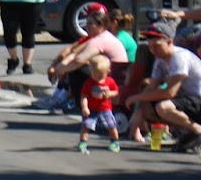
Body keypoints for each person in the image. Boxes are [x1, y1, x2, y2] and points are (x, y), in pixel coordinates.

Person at [124, 21, 201, 152]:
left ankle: (197, 130)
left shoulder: (179, 57)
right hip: (187, 101)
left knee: (163, 107)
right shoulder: (160, 60)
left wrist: (137, 97)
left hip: (197, 99)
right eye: (150, 46)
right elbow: (151, 87)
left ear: (169, 42)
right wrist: (138, 112)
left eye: (157, 46)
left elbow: (169, 93)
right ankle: (188, 134)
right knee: (148, 106)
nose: (153, 50)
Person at [77, 54, 121, 153]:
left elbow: (116, 91)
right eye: (94, 74)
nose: (97, 77)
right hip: (92, 108)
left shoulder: (110, 81)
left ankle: (115, 141)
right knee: (86, 125)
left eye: (100, 75)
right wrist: (84, 107)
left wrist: (110, 94)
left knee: (111, 125)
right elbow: (84, 96)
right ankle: (83, 142)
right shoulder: (89, 83)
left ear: (108, 72)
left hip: (105, 108)